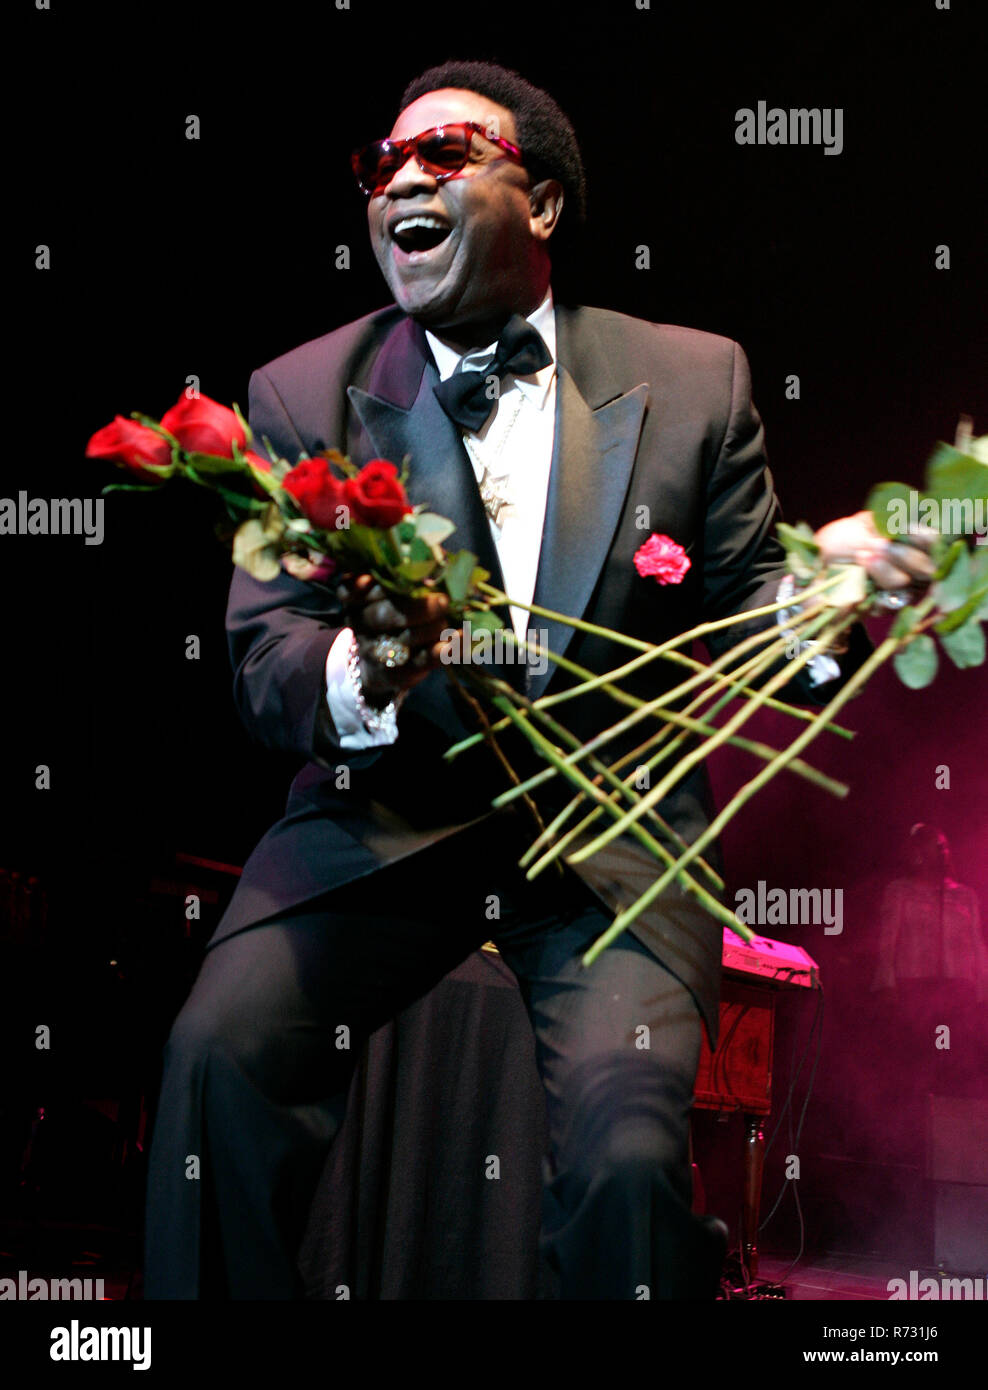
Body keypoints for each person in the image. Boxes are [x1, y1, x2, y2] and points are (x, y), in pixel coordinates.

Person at [143, 60, 935, 1300]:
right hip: (384, 821)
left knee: (627, 1166)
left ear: (547, 204)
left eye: (447, 153)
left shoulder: (694, 381)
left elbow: (745, 627)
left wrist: (833, 590)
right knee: (215, 1059)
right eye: (379, 164)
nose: (402, 176)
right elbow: (269, 666)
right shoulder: (302, 393)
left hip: (609, 837)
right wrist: (378, 664)